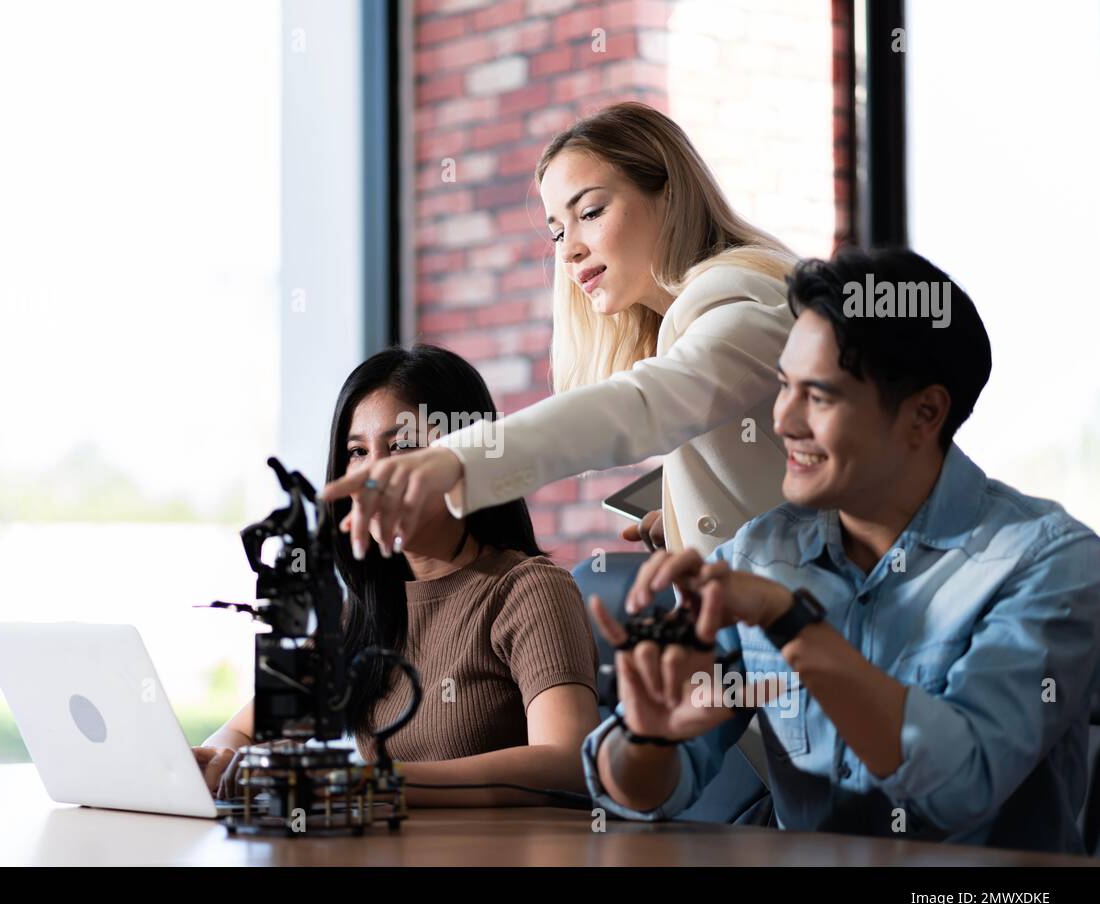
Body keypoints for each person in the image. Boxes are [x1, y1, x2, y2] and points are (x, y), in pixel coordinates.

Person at [584, 248, 1100, 852]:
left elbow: (961, 786)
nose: (782, 420)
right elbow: (638, 794)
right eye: (784, 387)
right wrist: (648, 738)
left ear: (924, 413)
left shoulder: (1048, 562)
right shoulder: (758, 554)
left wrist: (790, 620)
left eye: (819, 397)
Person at [321, 101, 797, 563]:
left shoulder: (739, 296)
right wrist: (687, 516)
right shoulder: (694, 317)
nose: (568, 250)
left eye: (590, 213)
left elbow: (643, 405)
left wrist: (456, 461)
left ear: (670, 196)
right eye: (556, 231)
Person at [195, 345, 601, 807]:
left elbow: (569, 763)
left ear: (466, 454)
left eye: (403, 446)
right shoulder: (364, 611)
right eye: (356, 452)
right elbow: (244, 729)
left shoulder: (527, 589)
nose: (374, 474)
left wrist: (369, 782)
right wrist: (219, 759)